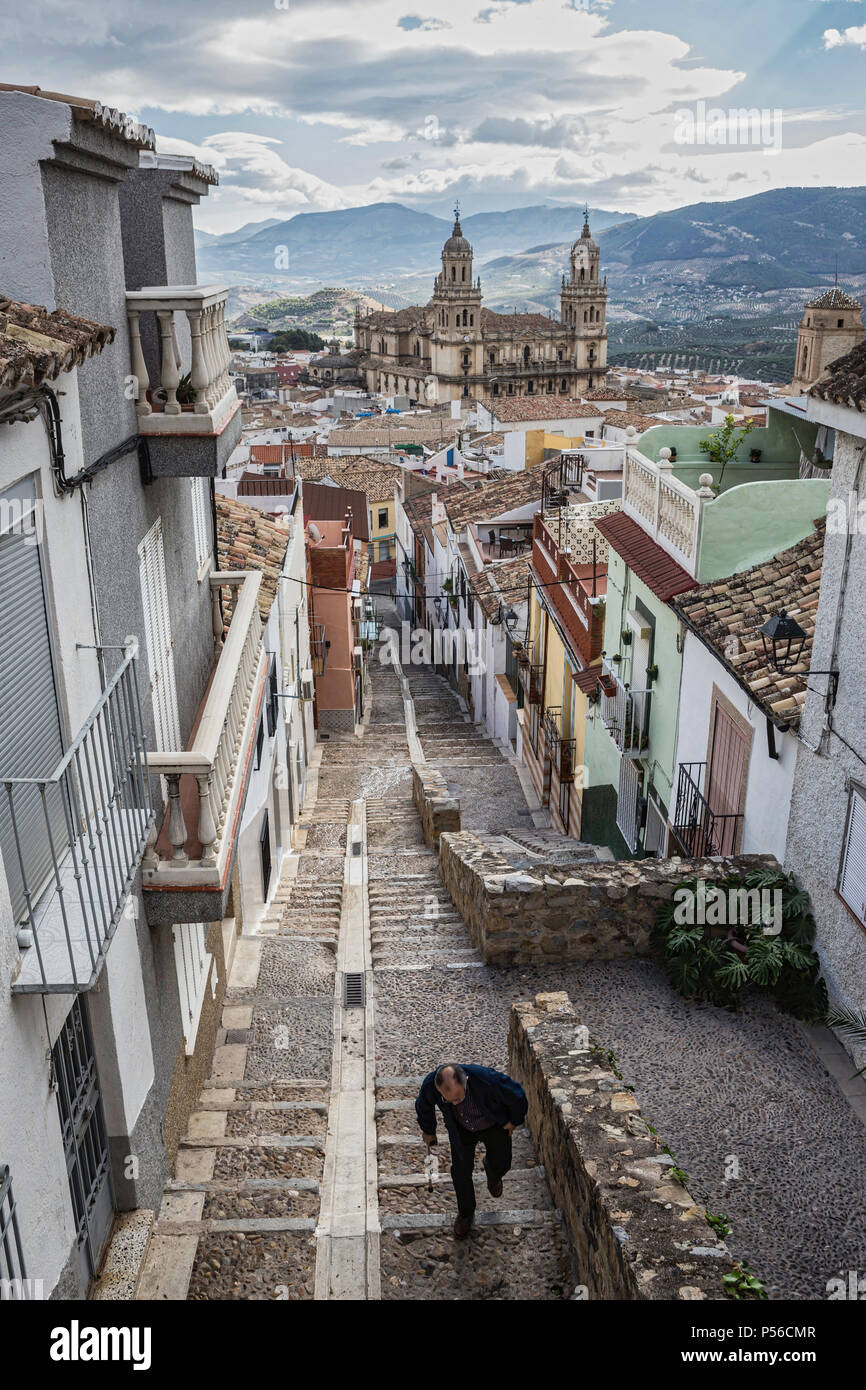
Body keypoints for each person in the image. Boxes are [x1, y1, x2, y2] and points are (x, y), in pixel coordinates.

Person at [415, 1062, 528, 1239]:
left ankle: (493, 1172)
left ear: (466, 1080)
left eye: (459, 1097)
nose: (455, 1103)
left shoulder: (487, 1079)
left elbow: (518, 1095)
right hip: (461, 1130)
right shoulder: (431, 1085)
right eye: (449, 1100)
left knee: (502, 1163)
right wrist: (428, 1130)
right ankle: (466, 1213)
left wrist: (514, 1121)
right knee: (460, 1172)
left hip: (494, 1125)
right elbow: (423, 1106)